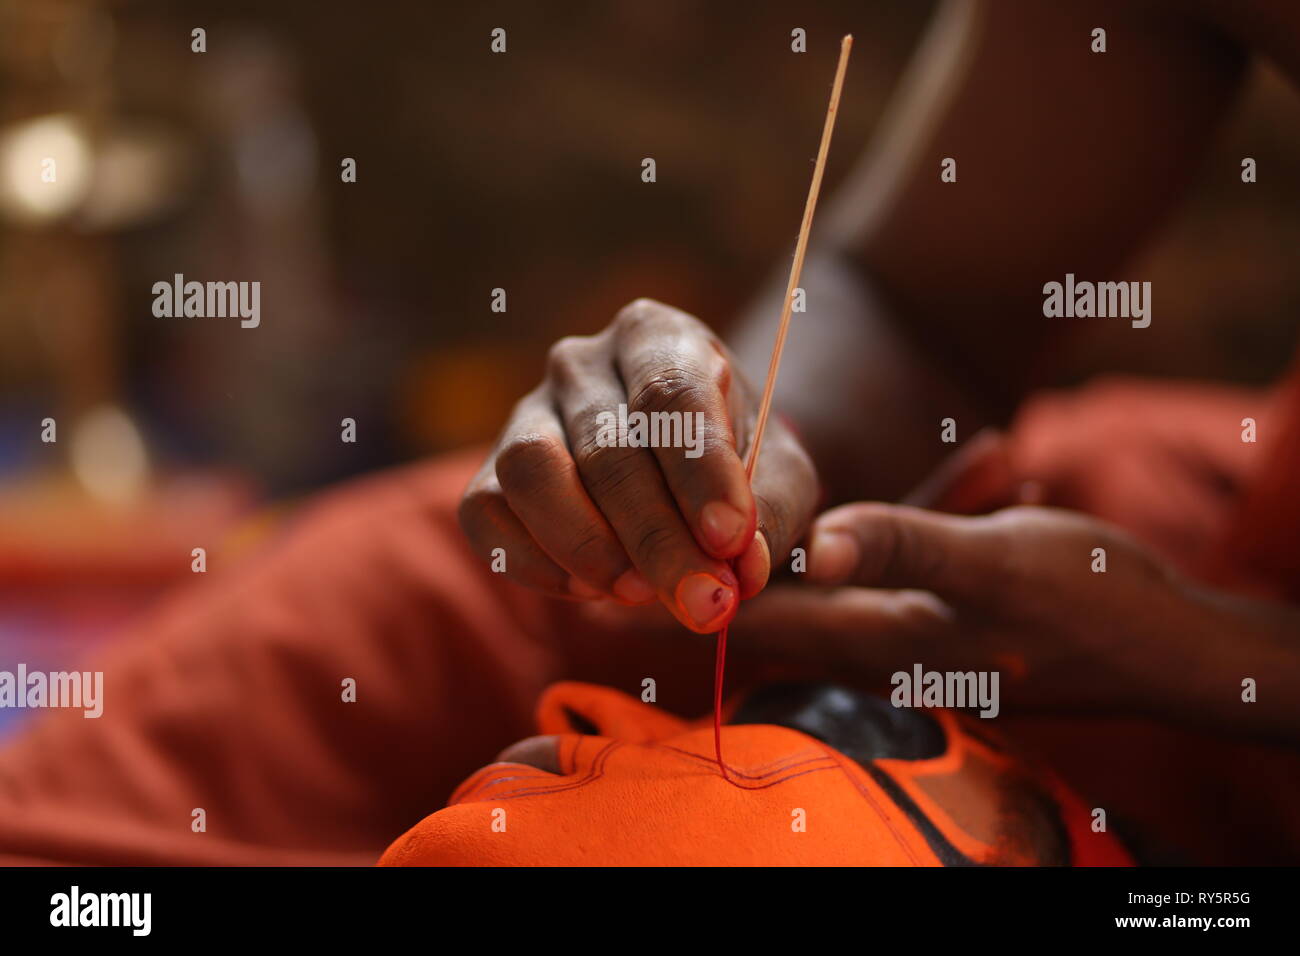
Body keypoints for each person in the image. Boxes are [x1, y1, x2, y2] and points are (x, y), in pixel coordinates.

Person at [2, 0, 1299, 866]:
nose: (578, 713)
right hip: (1113, 569)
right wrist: (740, 436)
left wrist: (1234, 670)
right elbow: (918, 315)